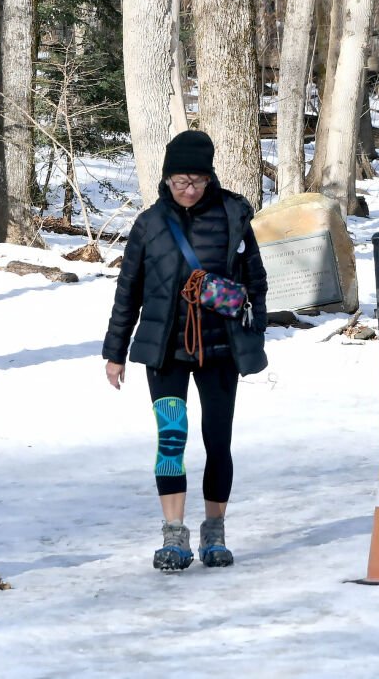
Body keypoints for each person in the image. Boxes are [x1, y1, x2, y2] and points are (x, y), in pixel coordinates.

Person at [103, 129, 269, 570]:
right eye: (180, 181)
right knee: (171, 439)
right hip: (166, 354)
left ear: (210, 178)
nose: (189, 189)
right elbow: (128, 292)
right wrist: (115, 351)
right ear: (166, 180)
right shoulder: (150, 225)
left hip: (220, 353)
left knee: (218, 441)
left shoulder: (234, 215)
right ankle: (173, 536)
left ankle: (215, 532)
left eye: (196, 180)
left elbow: (256, 281)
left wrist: (255, 330)